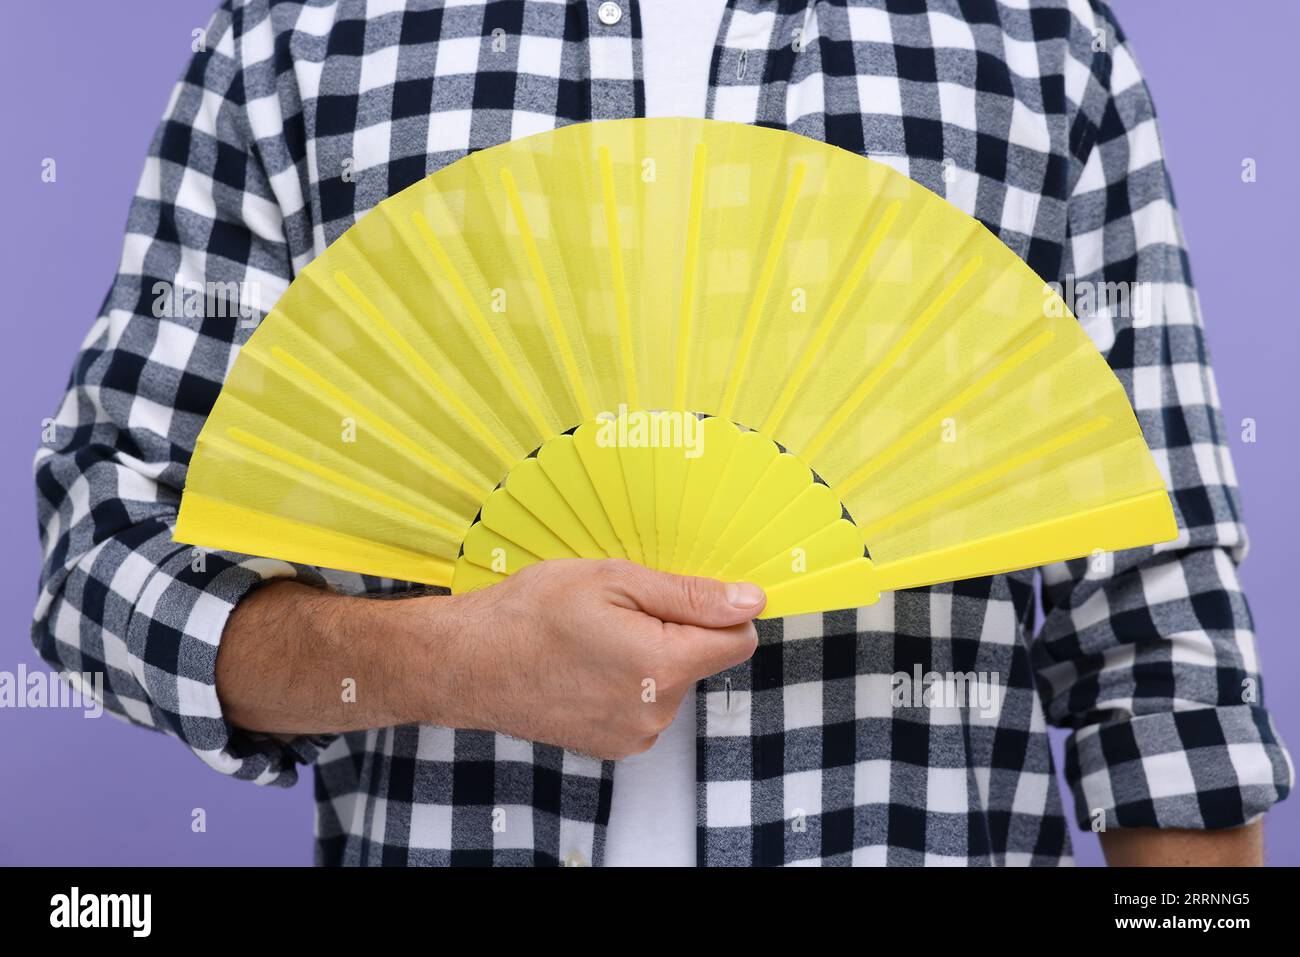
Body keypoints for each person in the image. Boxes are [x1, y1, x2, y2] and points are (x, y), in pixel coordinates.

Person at [32, 0, 1290, 867]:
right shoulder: (303, 36)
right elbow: (101, 564)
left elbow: (1161, 653)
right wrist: (444, 660)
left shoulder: (1034, 39)